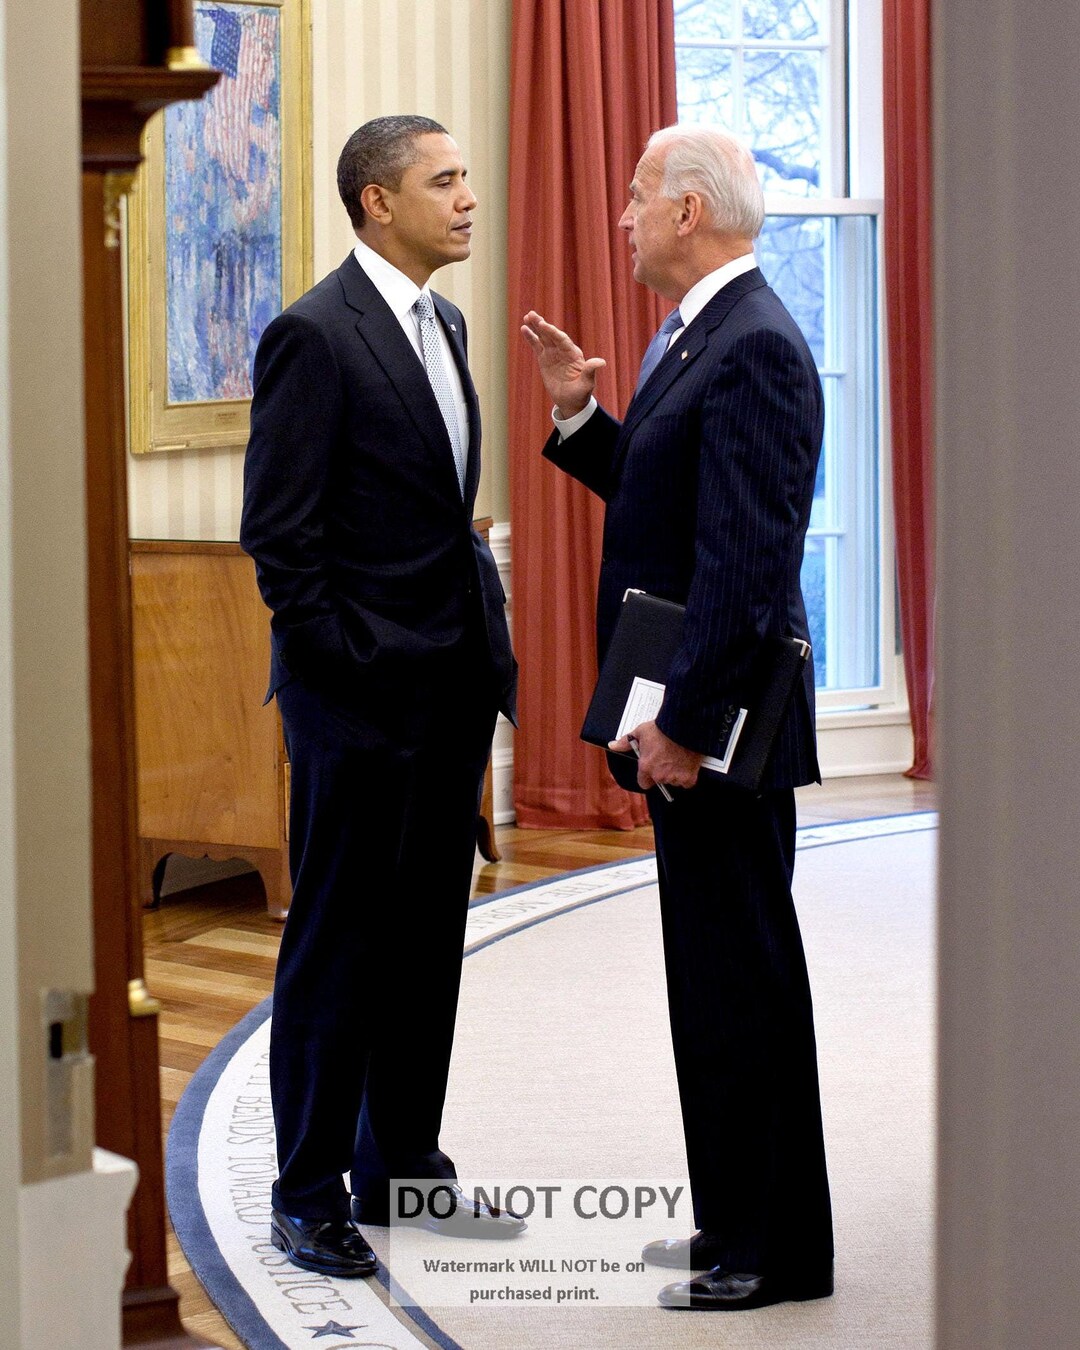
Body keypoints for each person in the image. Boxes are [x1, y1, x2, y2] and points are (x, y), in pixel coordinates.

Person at [522, 124, 833, 1311]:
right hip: (700, 719)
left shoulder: (752, 345)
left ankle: (781, 1249)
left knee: (744, 979)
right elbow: (674, 506)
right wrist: (578, 421)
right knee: (709, 979)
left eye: (638, 197)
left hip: (726, 733)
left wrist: (687, 727)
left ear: (690, 210)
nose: (624, 217)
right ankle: (734, 1220)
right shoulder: (701, 333)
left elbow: (749, 563)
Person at [241, 114, 522, 1279]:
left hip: (448, 694)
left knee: (425, 948)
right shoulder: (313, 333)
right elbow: (281, 541)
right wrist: (355, 668)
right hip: (358, 703)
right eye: (443, 181)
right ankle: (306, 1195)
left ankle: (401, 1169)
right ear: (375, 201)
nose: (467, 199)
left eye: (465, 179)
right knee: (341, 949)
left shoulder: (443, 319)